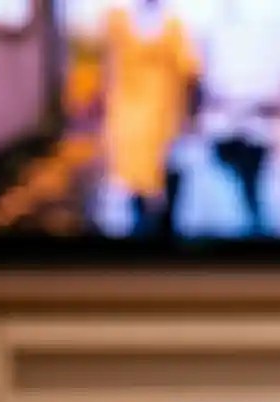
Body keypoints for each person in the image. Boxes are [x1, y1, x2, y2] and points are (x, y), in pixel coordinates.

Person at [102, 0, 201, 238]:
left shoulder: (171, 25)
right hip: (142, 116)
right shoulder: (122, 20)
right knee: (146, 184)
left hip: (157, 117)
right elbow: (191, 71)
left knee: (152, 182)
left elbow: (190, 71)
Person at [199, 0, 280, 236]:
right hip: (227, 125)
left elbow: (276, 77)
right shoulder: (217, 24)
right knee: (230, 194)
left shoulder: (268, 20)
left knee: (253, 190)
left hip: (255, 124)